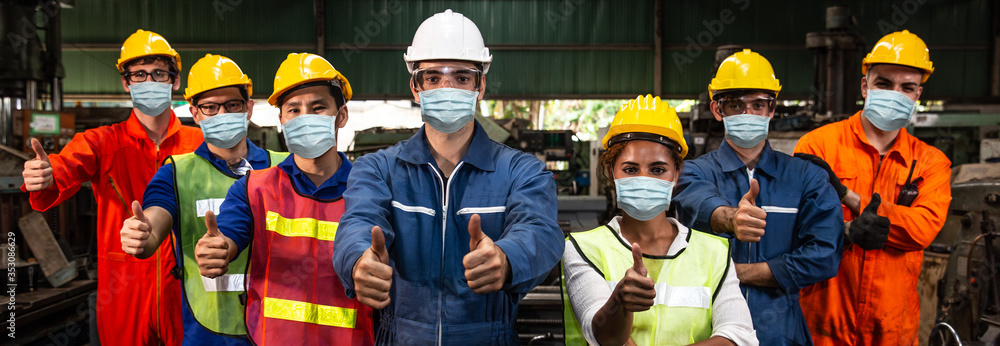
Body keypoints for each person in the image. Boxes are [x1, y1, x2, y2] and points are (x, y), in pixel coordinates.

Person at [331, 9, 563, 345]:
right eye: (433, 77)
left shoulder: (522, 172)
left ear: (480, 86)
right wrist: (359, 260)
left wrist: (506, 256)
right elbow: (357, 222)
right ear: (415, 87)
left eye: (461, 77)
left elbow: (541, 231)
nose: (447, 87)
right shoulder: (378, 168)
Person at [20, 29, 201, 345]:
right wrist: (46, 174)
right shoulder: (102, 142)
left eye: (158, 73)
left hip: (188, 288)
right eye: (139, 74)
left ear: (174, 80)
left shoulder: (199, 144)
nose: (149, 82)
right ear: (126, 82)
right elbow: (66, 165)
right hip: (124, 288)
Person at [193, 52, 373, 345]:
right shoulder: (253, 189)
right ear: (281, 120)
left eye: (318, 108)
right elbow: (228, 235)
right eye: (294, 110)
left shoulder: (369, 189)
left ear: (341, 115)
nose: (305, 118)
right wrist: (217, 248)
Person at [673, 49, 844, 345]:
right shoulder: (694, 172)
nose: (748, 114)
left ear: (771, 110)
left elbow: (825, 256)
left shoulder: (806, 177)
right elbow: (697, 204)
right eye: (735, 104)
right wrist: (729, 218)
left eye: (758, 104)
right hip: (707, 331)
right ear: (717, 110)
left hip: (782, 332)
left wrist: (738, 273)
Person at [793, 30, 952, 345]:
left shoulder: (931, 163)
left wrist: (850, 199)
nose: (895, 93)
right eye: (883, 83)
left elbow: (923, 229)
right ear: (865, 85)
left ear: (918, 95)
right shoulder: (818, 145)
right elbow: (797, 227)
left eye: (907, 87)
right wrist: (848, 233)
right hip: (823, 320)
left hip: (892, 327)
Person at [562, 95, 758, 346]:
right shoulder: (582, 248)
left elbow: (737, 335)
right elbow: (603, 336)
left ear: (676, 175)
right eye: (631, 169)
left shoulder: (715, 252)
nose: (644, 179)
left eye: (657, 169)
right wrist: (618, 303)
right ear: (612, 174)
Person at [119, 54, 287, 345]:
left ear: (248, 108)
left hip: (279, 327)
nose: (221, 113)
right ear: (195, 113)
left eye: (232, 105)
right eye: (210, 107)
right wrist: (143, 236)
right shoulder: (175, 173)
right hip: (208, 332)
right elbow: (155, 223)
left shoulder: (284, 168)